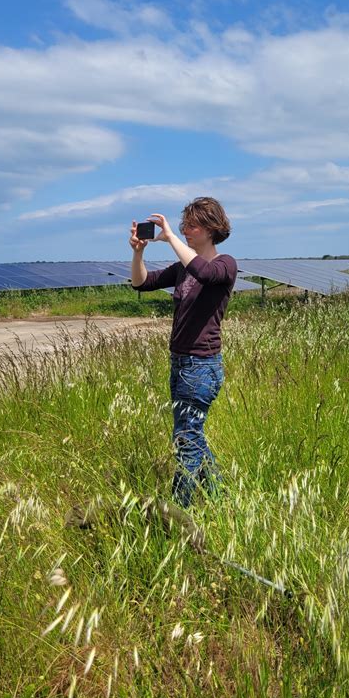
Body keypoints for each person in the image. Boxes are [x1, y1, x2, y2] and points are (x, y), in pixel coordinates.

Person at [130, 197, 237, 508]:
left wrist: (171, 239)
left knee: (186, 440)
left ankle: (179, 515)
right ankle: (219, 497)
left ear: (211, 229)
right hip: (180, 364)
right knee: (192, 434)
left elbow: (203, 273)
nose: (185, 230)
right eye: (183, 226)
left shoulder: (224, 265)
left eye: (192, 226)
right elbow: (141, 283)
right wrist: (138, 253)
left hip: (201, 367)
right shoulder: (181, 269)